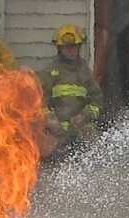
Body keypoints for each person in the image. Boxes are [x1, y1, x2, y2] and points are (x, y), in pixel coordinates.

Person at [42, 24, 102, 157]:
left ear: (79, 47)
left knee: (93, 139)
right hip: (56, 128)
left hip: (79, 126)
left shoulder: (85, 72)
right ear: (59, 48)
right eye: (66, 47)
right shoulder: (50, 72)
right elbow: (40, 101)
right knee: (45, 146)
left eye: (74, 47)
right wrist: (50, 120)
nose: (71, 51)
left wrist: (85, 116)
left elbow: (98, 102)